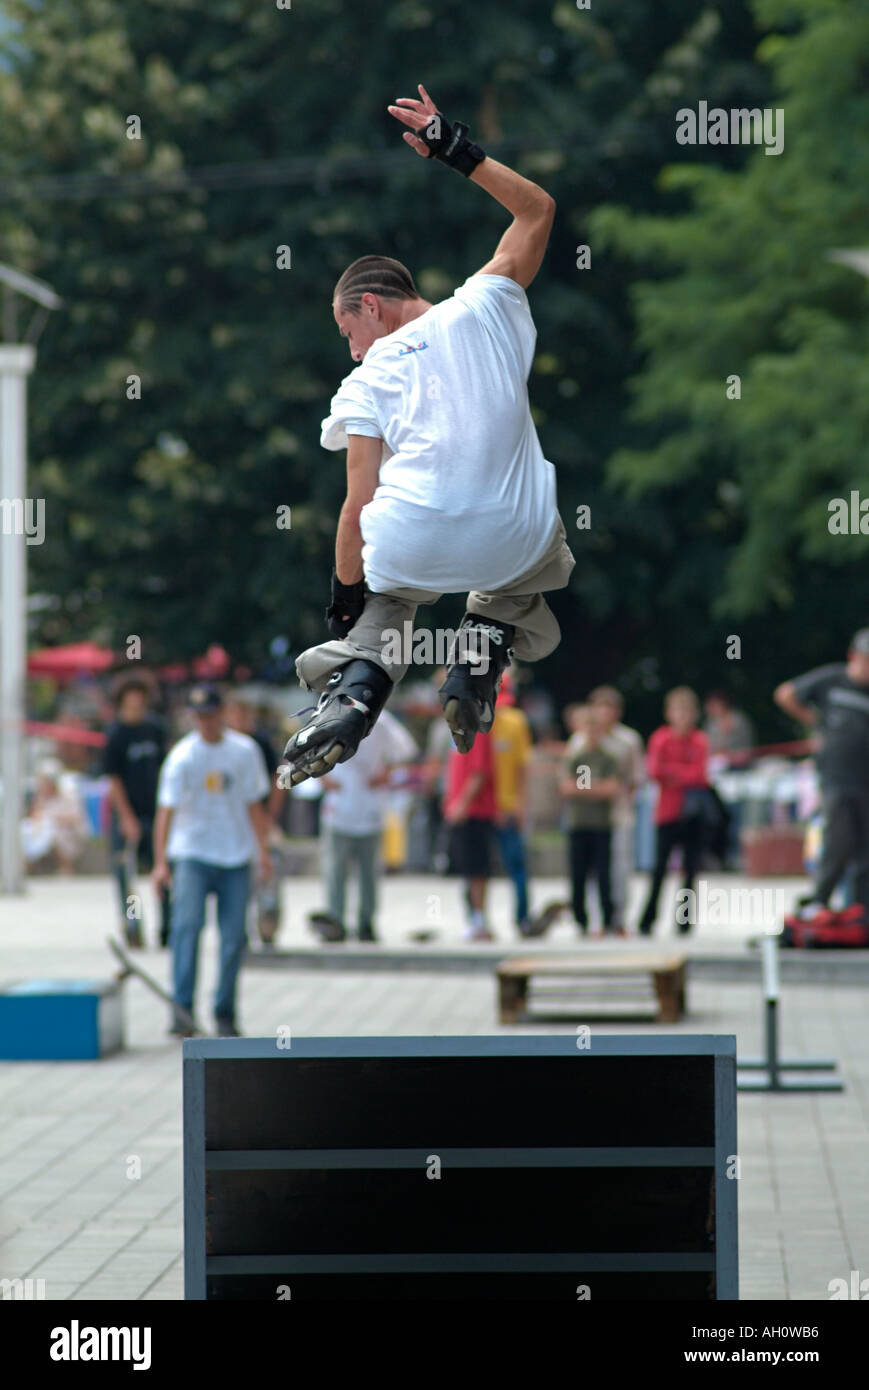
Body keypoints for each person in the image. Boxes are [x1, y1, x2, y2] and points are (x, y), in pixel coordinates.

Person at [277, 81, 574, 791]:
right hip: (512, 536)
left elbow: (355, 510)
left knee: (385, 599)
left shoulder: (367, 378)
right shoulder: (487, 304)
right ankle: (476, 661)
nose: (352, 351)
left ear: (370, 308)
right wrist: (456, 150)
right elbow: (538, 208)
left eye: (349, 332)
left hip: (414, 542)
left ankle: (350, 701)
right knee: (532, 559)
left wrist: (347, 605)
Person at [152, 685, 273, 1038]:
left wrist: (263, 852)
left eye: (210, 716)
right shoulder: (183, 756)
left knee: (234, 935)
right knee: (186, 929)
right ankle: (182, 1009)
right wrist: (161, 863)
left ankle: (224, 1011)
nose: (205, 723)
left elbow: (255, 804)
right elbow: (166, 811)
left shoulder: (244, 751)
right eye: (199, 717)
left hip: (235, 854)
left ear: (222, 714)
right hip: (192, 853)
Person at [774, 629, 869, 918]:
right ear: (854, 657)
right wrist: (815, 722)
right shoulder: (832, 680)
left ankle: (860, 907)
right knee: (838, 840)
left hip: (865, 779)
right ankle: (820, 899)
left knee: (864, 846)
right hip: (836, 776)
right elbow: (786, 693)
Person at [312, 709, 417, 943]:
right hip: (339, 806)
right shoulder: (330, 712)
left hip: (369, 806)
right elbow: (308, 750)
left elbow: (405, 751)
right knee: (335, 870)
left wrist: (386, 774)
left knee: (369, 872)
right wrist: (322, 776)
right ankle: (335, 920)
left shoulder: (381, 719)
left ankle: (366, 922)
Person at [637, 687, 710, 936]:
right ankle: (647, 919)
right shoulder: (661, 739)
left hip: (692, 815)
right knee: (659, 869)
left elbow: (700, 774)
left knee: (690, 871)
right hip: (667, 812)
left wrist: (673, 773)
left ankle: (684, 921)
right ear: (669, 714)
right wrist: (683, 774)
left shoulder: (699, 740)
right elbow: (655, 771)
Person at [103, 677, 168, 949]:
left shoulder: (155, 729)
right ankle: (132, 924)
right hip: (127, 813)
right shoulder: (116, 735)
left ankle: (168, 925)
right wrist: (126, 817)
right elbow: (114, 780)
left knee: (163, 869)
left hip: (155, 812)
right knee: (125, 875)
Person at [224, 694, 285, 947]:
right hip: (234, 821)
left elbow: (278, 778)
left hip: (260, 816)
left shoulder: (261, 743)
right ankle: (238, 929)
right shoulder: (224, 745)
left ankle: (268, 924)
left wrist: (270, 815)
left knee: (269, 872)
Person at [587, 686, 645, 933]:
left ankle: (619, 917)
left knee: (620, 869)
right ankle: (598, 918)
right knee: (594, 869)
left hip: (619, 813)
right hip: (592, 815)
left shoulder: (628, 741)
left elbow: (635, 778)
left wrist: (622, 797)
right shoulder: (582, 740)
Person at [560, 706, 622, 935]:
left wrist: (584, 789)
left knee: (604, 875)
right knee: (578, 875)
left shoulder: (607, 758)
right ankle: (580, 919)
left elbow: (612, 789)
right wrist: (595, 789)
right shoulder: (576, 756)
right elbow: (566, 787)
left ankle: (607, 919)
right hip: (579, 823)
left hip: (601, 824)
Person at [443, 731, 498, 942]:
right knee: (467, 869)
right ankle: (473, 919)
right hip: (460, 811)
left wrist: (461, 804)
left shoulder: (477, 731)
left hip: (475, 811)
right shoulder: (456, 729)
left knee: (477, 870)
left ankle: (479, 920)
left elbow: (479, 772)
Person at [491, 672, 534, 934]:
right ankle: (479, 920)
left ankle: (522, 918)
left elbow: (522, 768)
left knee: (517, 866)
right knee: (478, 868)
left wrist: (520, 806)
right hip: (485, 808)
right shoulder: (474, 720)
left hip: (508, 807)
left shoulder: (516, 723)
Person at [21, 757, 88, 873]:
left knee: (56, 834)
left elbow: (76, 819)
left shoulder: (69, 796)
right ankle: (26, 869)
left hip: (69, 833)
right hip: (43, 832)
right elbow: (34, 817)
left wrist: (55, 819)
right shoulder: (41, 798)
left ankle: (66, 868)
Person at [703, 690, 755, 769]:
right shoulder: (711, 724)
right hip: (719, 764)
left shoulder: (738, 719)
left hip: (742, 763)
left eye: (714, 705)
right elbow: (709, 747)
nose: (710, 708)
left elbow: (746, 745)